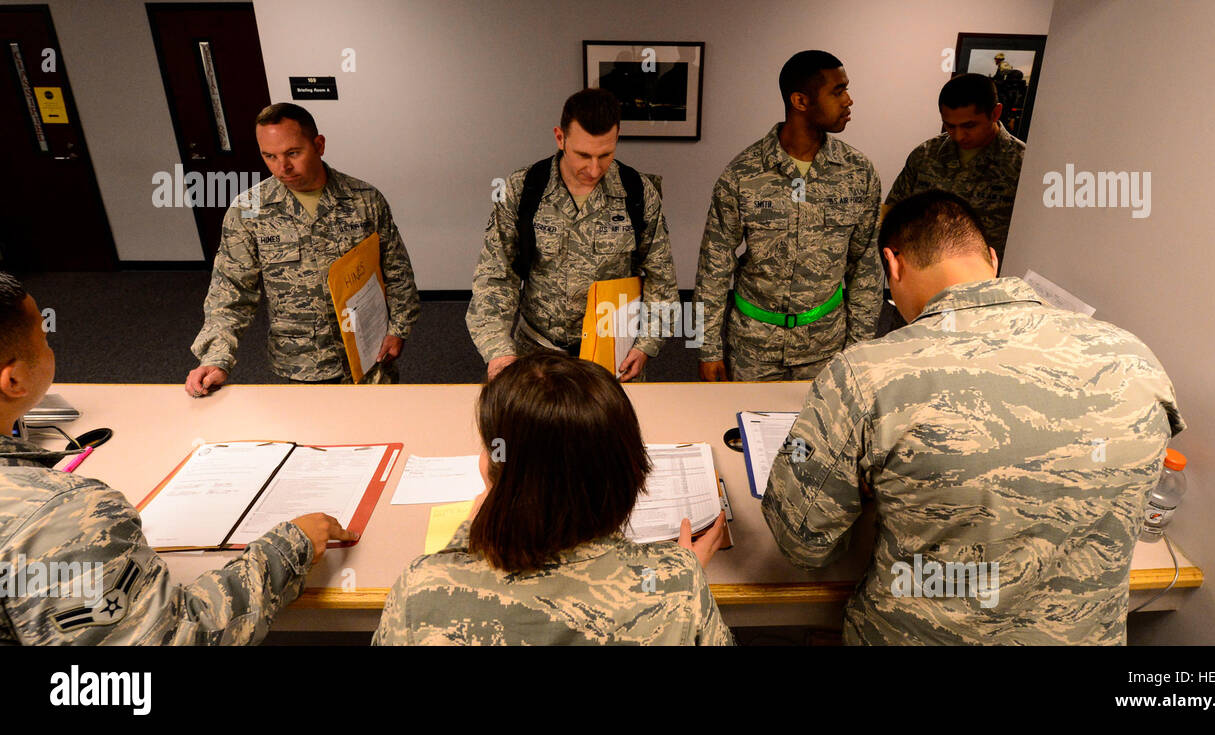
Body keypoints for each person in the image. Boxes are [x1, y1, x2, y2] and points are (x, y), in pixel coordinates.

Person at [761, 191, 1185, 645]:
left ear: (893, 264)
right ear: (992, 259)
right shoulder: (1134, 358)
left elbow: (803, 543)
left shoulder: (865, 375)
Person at [0, 273, 355, 644]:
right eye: (44, 338)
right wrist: (288, 548)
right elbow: (172, 640)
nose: (50, 345)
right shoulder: (60, 516)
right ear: (14, 381)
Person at [373, 352, 731, 645]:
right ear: (630, 471)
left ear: (498, 474)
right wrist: (676, 577)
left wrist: (470, 532)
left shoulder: (421, 591)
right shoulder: (678, 583)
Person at [186, 103, 420, 395]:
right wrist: (216, 357)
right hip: (302, 363)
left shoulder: (364, 200)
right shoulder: (249, 210)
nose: (282, 167)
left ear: (319, 145)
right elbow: (230, 292)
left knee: (380, 435)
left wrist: (398, 329)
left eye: (293, 153)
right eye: (269, 156)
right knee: (316, 440)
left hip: (369, 354)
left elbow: (397, 273)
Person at [694, 50, 883, 382]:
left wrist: (859, 350)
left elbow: (864, 267)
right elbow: (714, 265)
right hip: (754, 347)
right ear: (800, 101)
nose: (849, 100)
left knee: (823, 434)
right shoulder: (743, 174)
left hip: (826, 347)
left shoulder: (859, 173)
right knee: (743, 429)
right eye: (837, 91)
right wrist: (709, 349)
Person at [466, 88, 678, 382]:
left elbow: (661, 281)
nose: (593, 169)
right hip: (537, 353)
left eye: (605, 155)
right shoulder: (523, 189)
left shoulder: (638, 193)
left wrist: (646, 346)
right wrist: (498, 350)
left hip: (612, 354)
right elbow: (495, 276)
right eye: (583, 155)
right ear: (560, 137)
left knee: (611, 429)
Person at [884, 73, 1025, 265]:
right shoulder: (925, 155)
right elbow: (892, 212)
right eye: (950, 125)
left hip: (987, 285)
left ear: (995, 113)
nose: (958, 136)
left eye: (969, 126)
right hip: (926, 278)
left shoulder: (1022, 165)